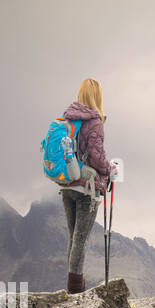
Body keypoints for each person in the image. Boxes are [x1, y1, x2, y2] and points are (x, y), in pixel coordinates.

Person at [58, 78, 113, 293]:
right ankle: (76, 292)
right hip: (86, 189)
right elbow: (97, 156)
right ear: (96, 96)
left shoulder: (68, 119)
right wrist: (109, 170)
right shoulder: (95, 121)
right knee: (81, 240)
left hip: (67, 185)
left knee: (73, 238)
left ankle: (75, 287)